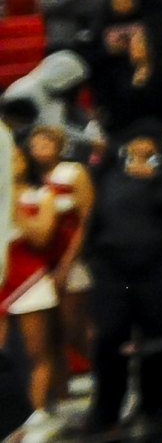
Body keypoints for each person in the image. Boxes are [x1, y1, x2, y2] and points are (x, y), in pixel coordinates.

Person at [84, 121, 162, 436]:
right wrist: (91, 252)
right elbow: (94, 215)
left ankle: (154, 409)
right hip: (112, 270)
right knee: (109, 338)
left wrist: (156, 179)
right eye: (136, 140)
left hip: (158, 269)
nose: (141, 146)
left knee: (157, 339)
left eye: (148, 141)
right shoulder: (108, 174)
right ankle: (106, 412)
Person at [3, 138, 68, 431]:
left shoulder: (43, 194)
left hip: (30, 279)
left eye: (16, 158)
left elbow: (42, 237)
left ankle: (37, 412)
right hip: (2, 278)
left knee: (36, 351)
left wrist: (13, 208)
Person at [22, 126, 89, 407]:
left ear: (60, 144)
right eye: (35, 143)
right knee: (54, 338)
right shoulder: (35, 183)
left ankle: (117, 378)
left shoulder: (73, 172)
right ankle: (63, 400)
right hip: (44, 267)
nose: (40, 147)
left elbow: (86, 220)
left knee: (76, 330)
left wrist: (67, 263)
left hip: (71, 263)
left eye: (46, 141)